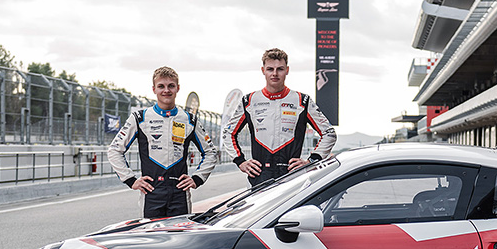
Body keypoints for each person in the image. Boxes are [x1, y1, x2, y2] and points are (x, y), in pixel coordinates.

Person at [108, 66, 219, 217]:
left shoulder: (189, 119)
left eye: (171, 86)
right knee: (152, 239)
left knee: (181, 239)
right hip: (151, 193)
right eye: (161, 86)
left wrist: (197, 178)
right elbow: (114, 150)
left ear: (178, 88)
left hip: (180, 193)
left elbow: (211, 151)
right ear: (154, 89)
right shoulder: (140, 118)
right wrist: (131, 180)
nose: (166, 90)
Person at [222, 48, 337, 186]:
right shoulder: (250, 100)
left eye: (280, 69)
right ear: (263, 70)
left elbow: (329, 133)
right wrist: (240, 161)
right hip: (260, 177)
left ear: (287, 70)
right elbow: (228, 132)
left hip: (293, 177)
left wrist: (311, 161)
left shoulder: (302, 100)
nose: (275, 73)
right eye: (270, 69)